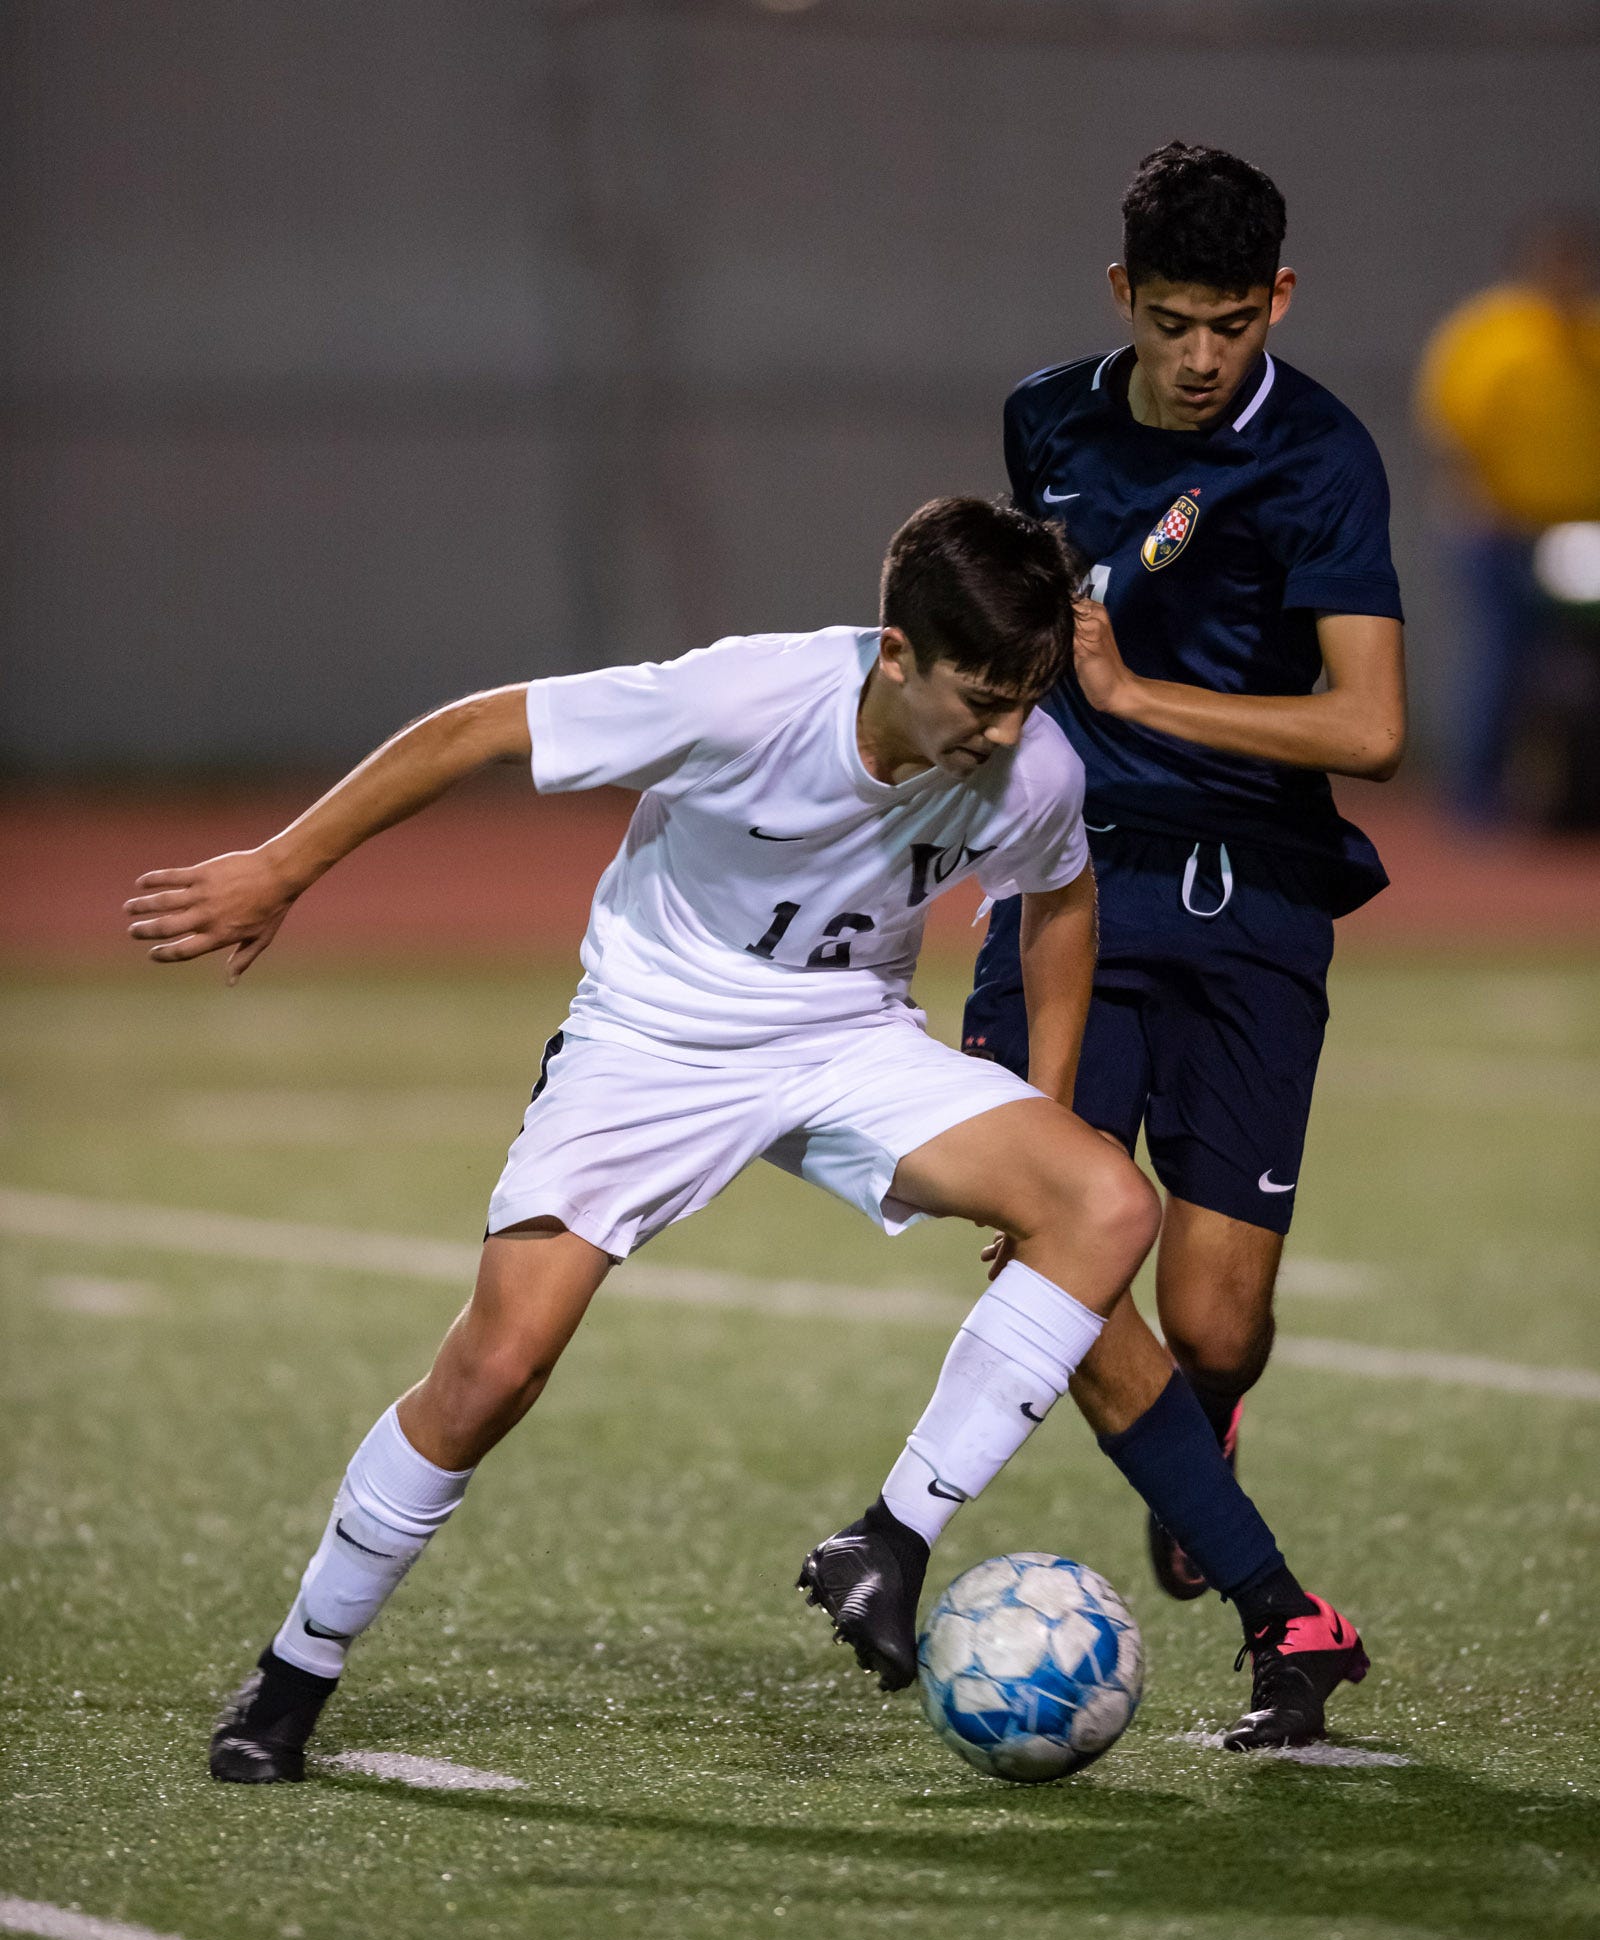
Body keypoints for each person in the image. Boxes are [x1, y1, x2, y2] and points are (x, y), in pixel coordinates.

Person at [127, 497, 1366, 1784]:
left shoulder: (1031, 761)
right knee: (495, 1367)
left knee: (1104, 1204)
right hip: (648, 1041)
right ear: (896, 654)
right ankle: (292, 1674)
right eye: (982, 699)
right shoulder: (739, 698)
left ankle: (889, 1536)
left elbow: (1057, 901)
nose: (1006, 731)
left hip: (846, 1040)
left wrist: (1047, 1120)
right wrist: (282, 865)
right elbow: (475, 727)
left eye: (1025, 698)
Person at [827, 144, 1406, 1634]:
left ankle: (1200, 1426)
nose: (1203, 357)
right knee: (1058, 1232)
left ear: (1277, 299)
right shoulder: (1045, 420)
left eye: (1233, 322)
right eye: (1170, 322)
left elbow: (1371, 728)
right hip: (1075, 880)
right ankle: (1218, 1578)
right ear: (1121, 298)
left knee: (1214, 1320)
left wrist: (1143, 702)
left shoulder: (1324, 457)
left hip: (1261, 890)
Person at [1416, 211, 1600, 823]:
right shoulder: (1491, 335)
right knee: (1500, 658)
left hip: (1577, 533)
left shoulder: (1591, 338)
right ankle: (1478, 798)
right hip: (1500, 529)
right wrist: (1473, 499)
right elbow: (1450, 429)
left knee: (1575, 669)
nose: (1565, 276)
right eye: (1554, 262)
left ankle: (1575, 798)